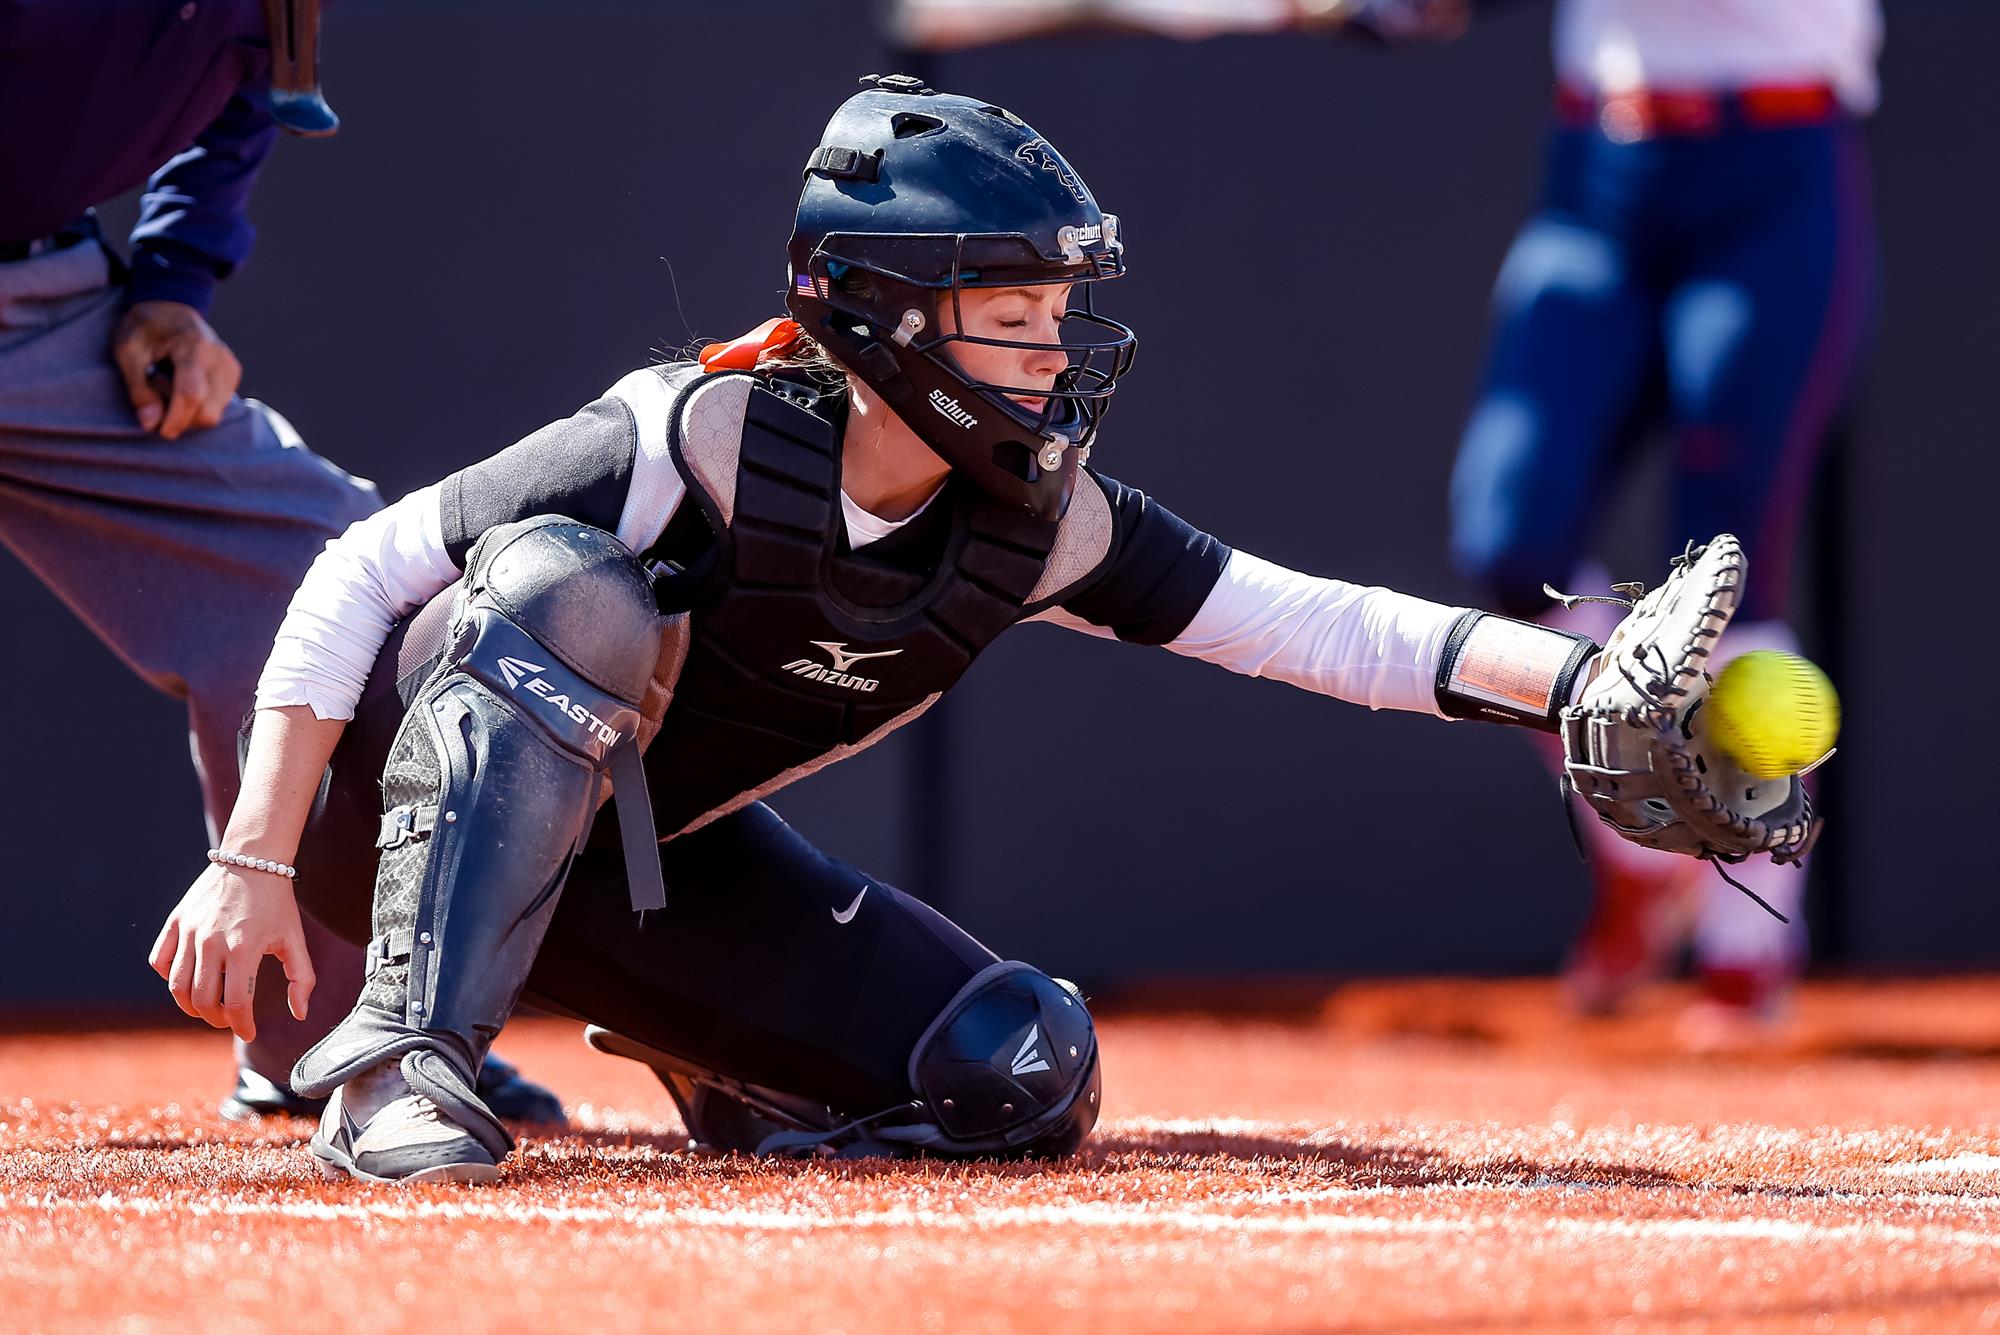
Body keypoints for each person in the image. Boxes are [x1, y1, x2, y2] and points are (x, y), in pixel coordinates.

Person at [148, 75, 1793, 1185]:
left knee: (1013, 1068)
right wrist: (256, 856)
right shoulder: (692, 433)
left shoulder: (1037, 519)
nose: (1052, 354)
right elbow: (359, 568)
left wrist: (1580, 683)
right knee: (563, 586)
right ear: (880, 316)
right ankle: (400, 1065)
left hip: (631, 873)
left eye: (1058, 315)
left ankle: (729, 1055)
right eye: (1011, 316)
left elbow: (1314, 625)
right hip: (391, 823)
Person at [0, 0, 558, 1121]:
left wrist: (169, 284)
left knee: (318, 580)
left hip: (37, 307)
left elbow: (243, 96)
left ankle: (318, 1035)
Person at [1443, 0, 1879, 1040]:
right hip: (1601, 166)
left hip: (1770, 168)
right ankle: (1641, 847)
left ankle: (1746, 938)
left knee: (1728, 569)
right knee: (1510, 545)